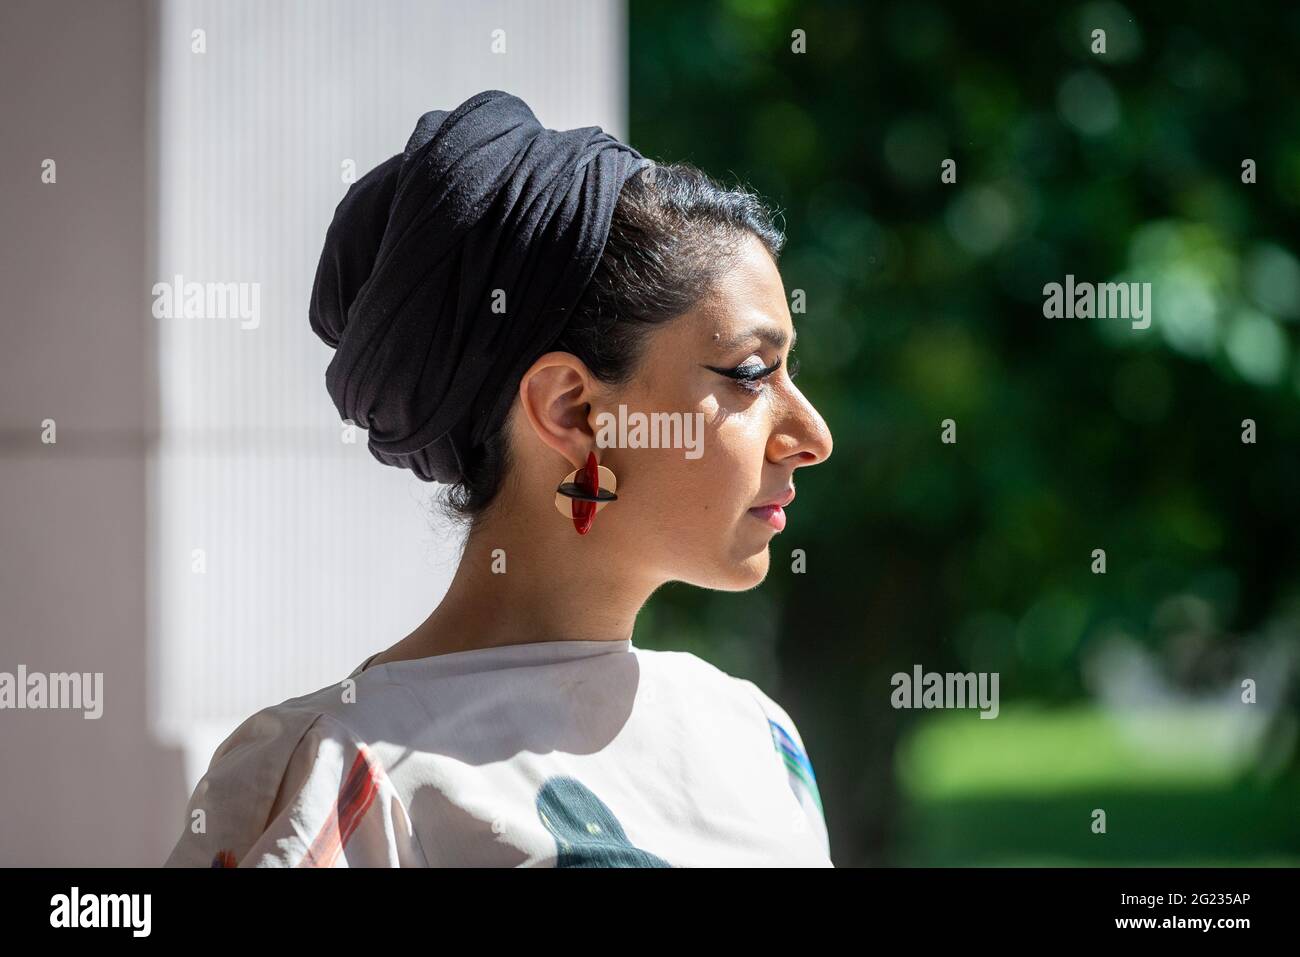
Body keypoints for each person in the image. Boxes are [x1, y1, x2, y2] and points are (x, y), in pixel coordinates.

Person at [164, 89, 834, 868]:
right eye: (751, 374)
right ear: (573, 409)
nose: (812, 436)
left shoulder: (756, 736)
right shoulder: (342, 778)